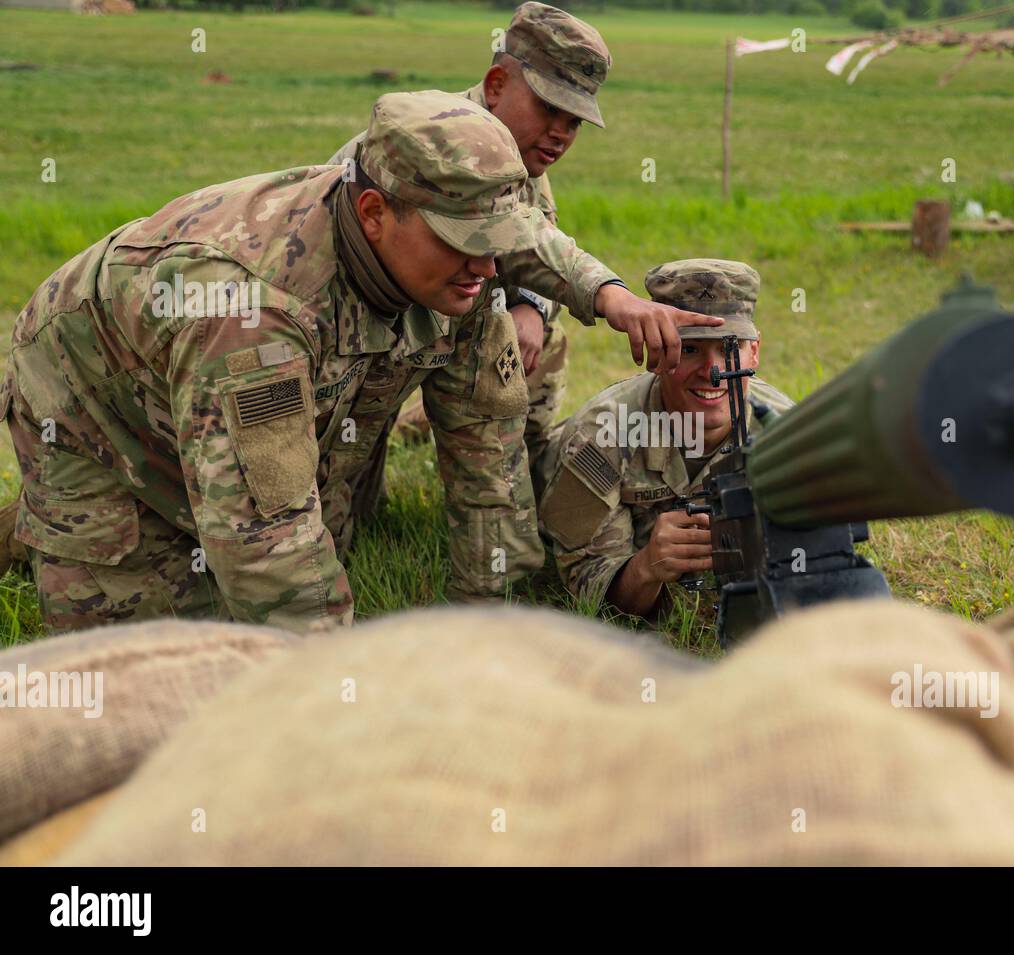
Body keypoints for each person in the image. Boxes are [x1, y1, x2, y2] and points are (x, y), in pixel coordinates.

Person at [0, 91, 718, 633]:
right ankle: (47, 522)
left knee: (317, 530)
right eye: (462, 240)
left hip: (236, 382)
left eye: (496, 240)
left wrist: (491, 630)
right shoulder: (251, 311)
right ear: (374, 214)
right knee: (173, 651)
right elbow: (270, 551)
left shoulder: (461, 275)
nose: (486, 263)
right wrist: (351, 700)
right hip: (96, 408)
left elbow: (488, 467)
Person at [329, 2, 603, 500]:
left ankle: (523, 461)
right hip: (368, 332)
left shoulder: (520, 163)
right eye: (548, 110)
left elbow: (537, 248)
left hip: (453, 322)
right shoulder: (423, 144)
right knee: (347, 507)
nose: (561, 134)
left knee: (539, 337)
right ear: (496, 85)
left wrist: (531, 307)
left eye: (575, 122)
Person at [537, 259, 793, 618]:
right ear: (656, 352)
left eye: (729, 347)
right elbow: (590, 589)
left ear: (755, 351)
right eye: (689, 349)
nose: (713, 373)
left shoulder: (787, 435)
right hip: (550, 469)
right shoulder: (601, 439)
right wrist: (645, 568)